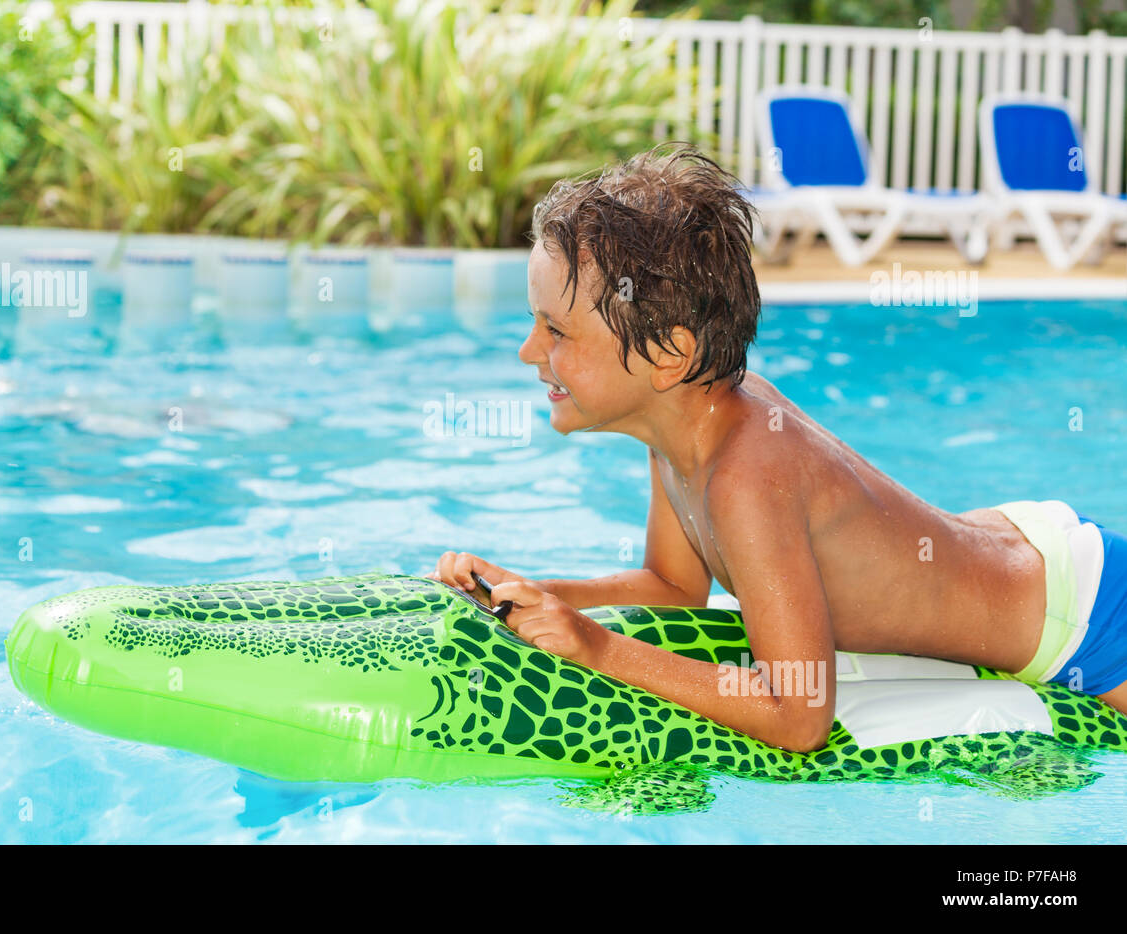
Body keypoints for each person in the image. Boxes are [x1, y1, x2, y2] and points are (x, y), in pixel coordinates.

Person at [426, 142, 1127, 752]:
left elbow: (798, 716)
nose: (527, 352)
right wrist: (537, 595)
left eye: (556, 332)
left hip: (1082, 614)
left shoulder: (744, 479)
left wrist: (597, 646)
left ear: (669, 355)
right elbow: (675, 590)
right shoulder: (682, 427)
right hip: (1023, 550)